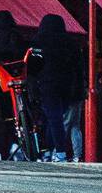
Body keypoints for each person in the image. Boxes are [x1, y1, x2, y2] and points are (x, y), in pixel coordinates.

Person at [28, 13, 82, 162]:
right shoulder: (72, 43)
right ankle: (51, 151)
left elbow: (32, 68)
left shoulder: (38, 41)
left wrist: (33, 87)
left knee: (53, 118)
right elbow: (78, 68)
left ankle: (58, 152)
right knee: (57, 118)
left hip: (46, 84)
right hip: (66, 85)